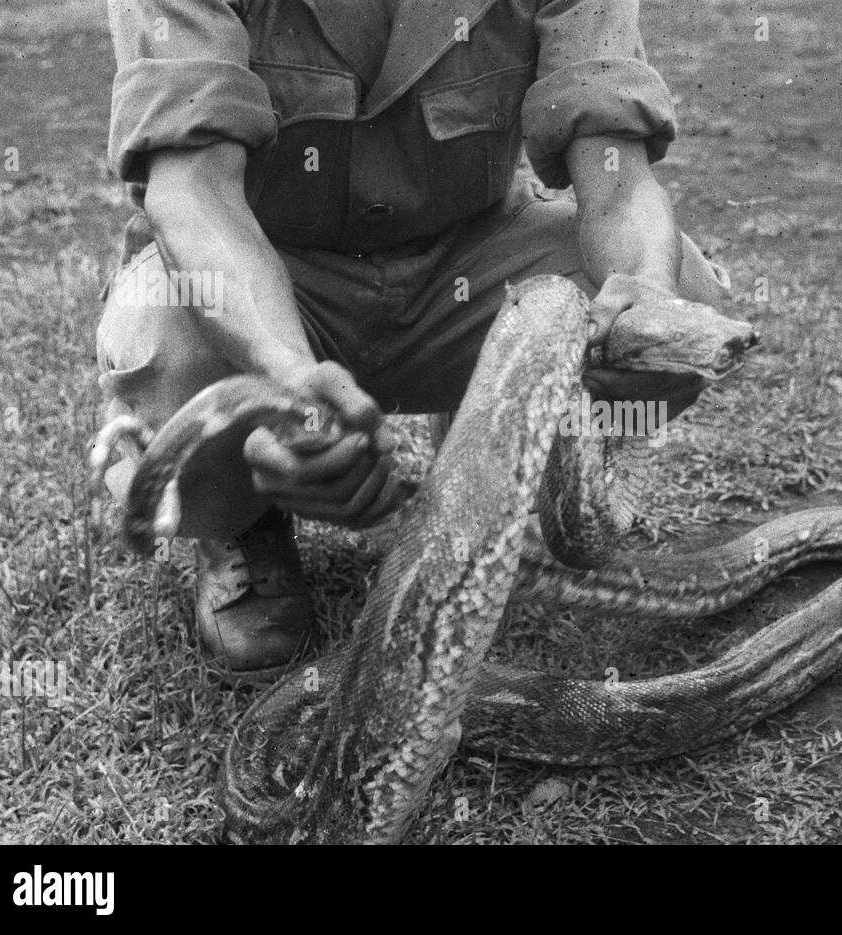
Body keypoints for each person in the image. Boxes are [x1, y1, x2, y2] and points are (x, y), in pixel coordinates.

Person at [96, 0, 732, 684]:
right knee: (174, 342)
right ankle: (245, 524)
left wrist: (641, 293)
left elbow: (615, 171)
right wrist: (284, 376)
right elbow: (194, 191)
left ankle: (488, 441)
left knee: (680, 304)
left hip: (469, 260)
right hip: (272, 274)